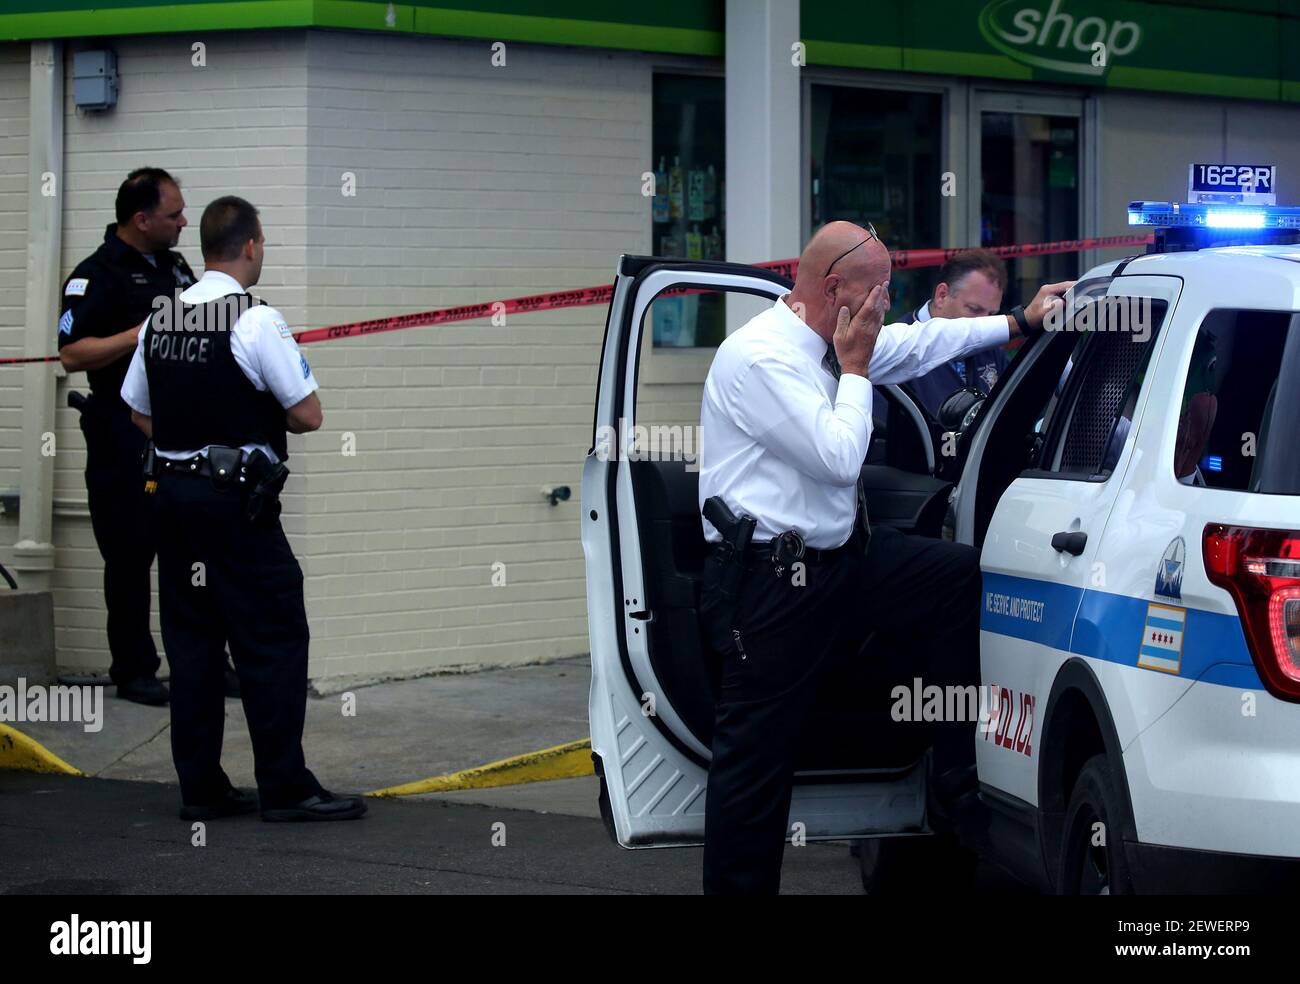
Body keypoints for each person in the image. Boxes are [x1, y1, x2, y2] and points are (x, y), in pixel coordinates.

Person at [697, 220, 1069, 894]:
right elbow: (840, 459)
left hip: (841, 563)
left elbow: (921, 342)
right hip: (771, 588)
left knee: (952, 574)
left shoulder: (830, 340)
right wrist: (860, 368)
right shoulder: (759, 358)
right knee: (754, 772)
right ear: (834, 288)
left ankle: (956, 778)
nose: (883, 310)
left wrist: (1018, 323)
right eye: (876, 295)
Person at [120, 195, 366, 823]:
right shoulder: (254, 321)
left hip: (172, 503)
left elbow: (139, 412)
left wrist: (191, 444)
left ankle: (201, 786)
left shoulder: (160, 320)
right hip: (234, 507)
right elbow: (308, 414)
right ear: (251, 245)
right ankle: (286, 787)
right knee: (273, 635)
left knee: (193, 640)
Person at [58, 168, 196, 705]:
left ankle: (204, 661)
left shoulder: (176, 266)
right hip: (121, 436)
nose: (184, 221)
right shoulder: (95, 275)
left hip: (181, 432)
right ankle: (134, 669)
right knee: (130, 556)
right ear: (141, 220)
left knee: (193, 553)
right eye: (173, 214)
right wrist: (139, 334)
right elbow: (72, 354)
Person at [904, 249, 1010, 417]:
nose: (984, 322)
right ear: (942, 295)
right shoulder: (901, 345)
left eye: (991, 314)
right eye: (974, 309)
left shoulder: (992, 348)